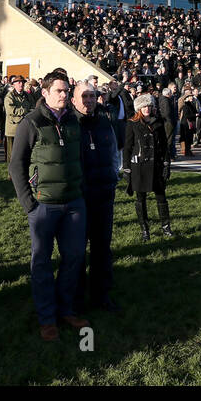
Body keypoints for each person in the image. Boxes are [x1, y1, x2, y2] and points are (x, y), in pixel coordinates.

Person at [10, 70, 88, 341]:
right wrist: (29, 203)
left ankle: (66, 309)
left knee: (74, 257)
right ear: (44, 93)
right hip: (43, 205)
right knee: (41, 262)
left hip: (74, 204)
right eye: (59, 91)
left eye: (67, 90)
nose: (65, 95)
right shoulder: (30, 123)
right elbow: (16, 164)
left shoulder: (74, 121)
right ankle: (46, 317)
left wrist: (81, 191)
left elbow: (79, 159)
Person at [72, 81, 120, 313]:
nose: (88, 101)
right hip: (79, 196)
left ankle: (101, 294)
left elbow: (113, 153)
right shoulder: (69, 124)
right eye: (83, 96)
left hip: (103, 193)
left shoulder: (103, 122)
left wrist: (114, 178)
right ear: (73, 99)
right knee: (77, 250)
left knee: (102, 248)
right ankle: (77, 295)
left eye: (92, 96)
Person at [123, 92, 175, 240]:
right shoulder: (132, 123)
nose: (147, 108)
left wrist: (166, 164)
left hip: (156, 166)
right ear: (139, 108)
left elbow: (164, 145)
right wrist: (126, 167)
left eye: (149, 105)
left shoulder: (158, 122)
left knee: (161, 197)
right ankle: (145, 230)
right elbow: (128, 147)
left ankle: (166, 227)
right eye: (144, 106)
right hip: (139, 167)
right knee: (140, 199)